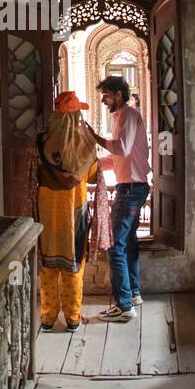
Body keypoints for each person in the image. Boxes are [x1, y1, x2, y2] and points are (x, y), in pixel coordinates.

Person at [35, 91, 100, 333]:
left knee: (49, 266)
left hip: (48, 211)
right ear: (76, 115)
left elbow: (34, 173)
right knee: (74, 266)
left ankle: (47, 319)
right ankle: (73, 319)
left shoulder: (41, 142)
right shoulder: (85, 144)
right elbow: (93, 175)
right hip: (75, 211)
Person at [90, 75, 150, 322]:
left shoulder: (128, 115)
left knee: (115, 245)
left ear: (117, 94)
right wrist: (92, 164)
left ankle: (124, 306)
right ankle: (133, 294)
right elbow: (119, 158)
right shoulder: (122, 117)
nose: (103, 100)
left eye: (105, 95)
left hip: (131, 191)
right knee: (129, 244)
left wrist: (94, 137)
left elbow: (121, 148)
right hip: (134, 187)